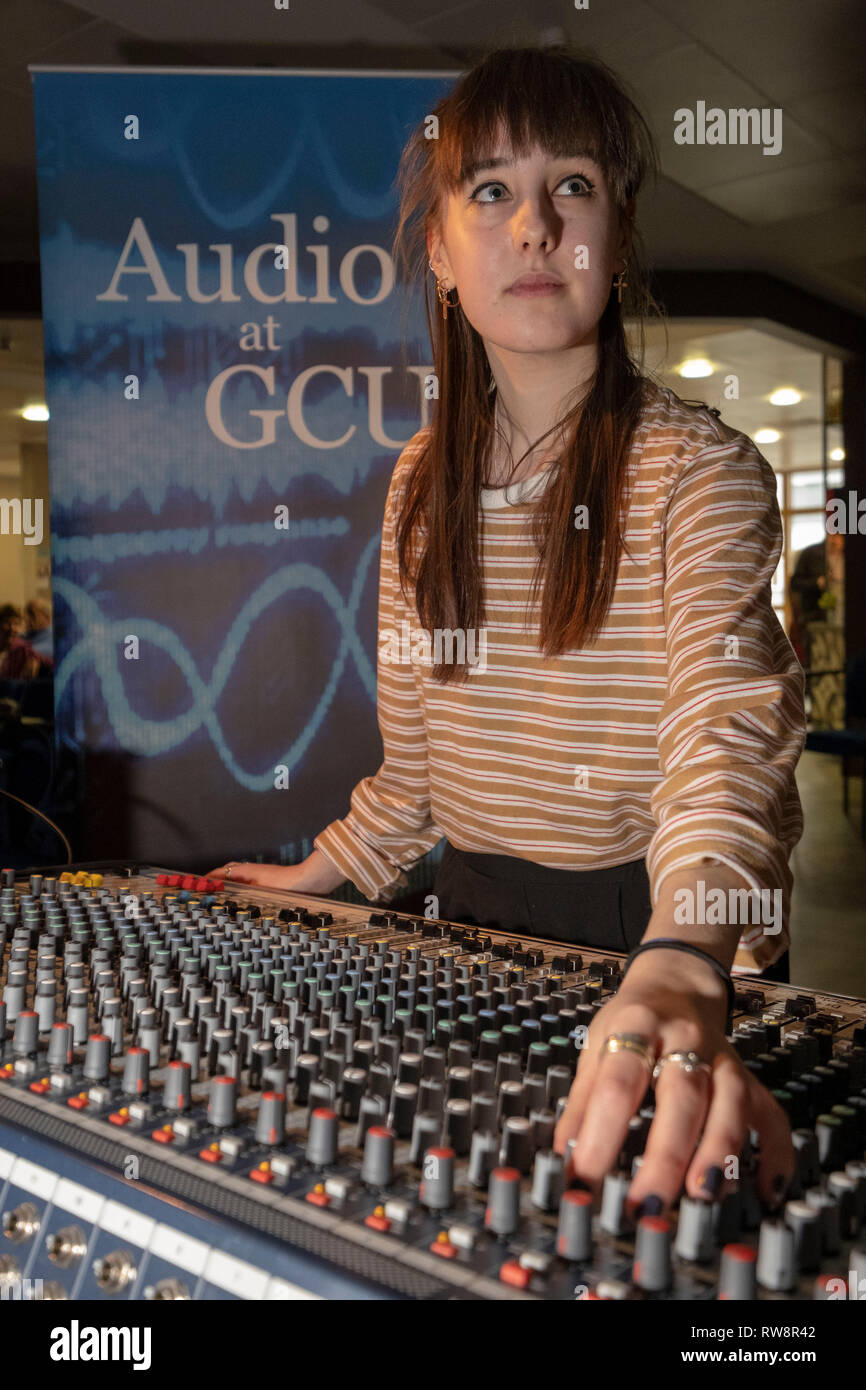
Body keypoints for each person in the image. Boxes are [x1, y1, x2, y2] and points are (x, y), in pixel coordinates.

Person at [210, 45, 804, 1219]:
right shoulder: (417, 480)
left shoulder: (702, 472)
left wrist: (685, 956)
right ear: (439, 250)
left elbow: (725, 739)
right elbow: (417, 778)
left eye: (570, 185)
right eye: (488, 190)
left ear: (616, 234)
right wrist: (322, 871)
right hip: (475, 914)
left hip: (661, 923)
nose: (533, 224)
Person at [0, 603, 53, 679]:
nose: (12, 628)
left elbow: (49, 661)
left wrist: (37, 660)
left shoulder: (22, 649)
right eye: (7, 623)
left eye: (16, 623)